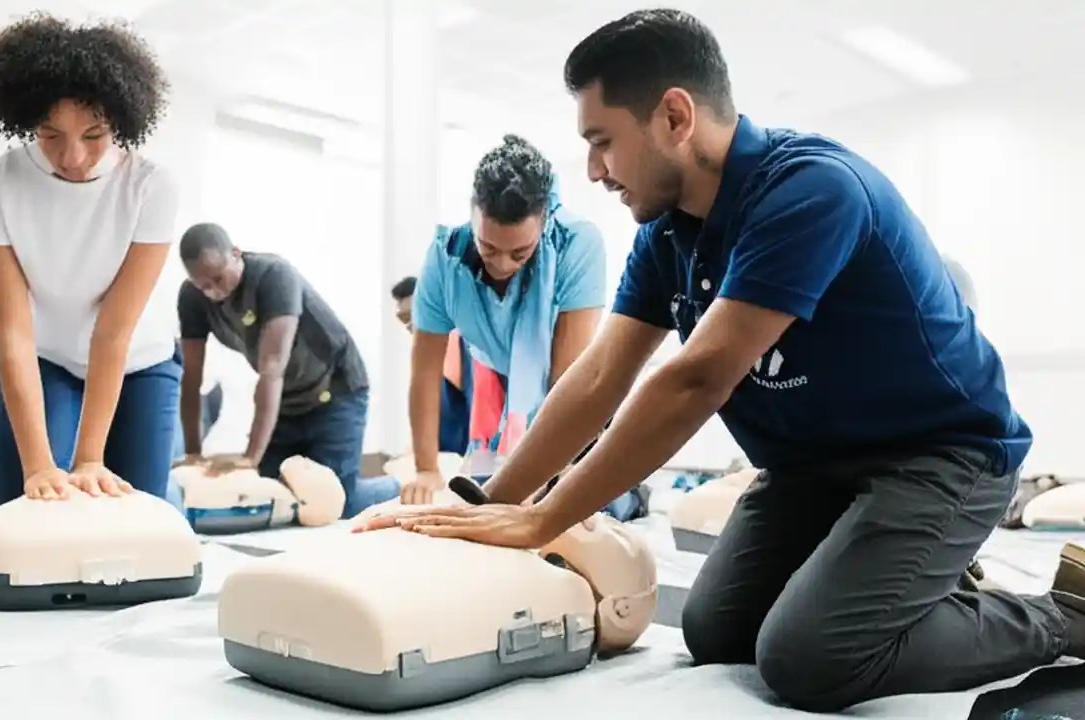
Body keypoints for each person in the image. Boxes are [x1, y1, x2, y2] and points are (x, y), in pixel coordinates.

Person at [358, 8, 1083, 712]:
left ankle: (1060, 615)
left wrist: (543, 519)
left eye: (602, 140)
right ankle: (914, 578)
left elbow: (695, 378)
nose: (592, 170)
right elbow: (602, 377)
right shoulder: (667, 236)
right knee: (718, 633)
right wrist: (493, 508)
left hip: (942, 457)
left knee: (808, 660)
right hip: (812, 468)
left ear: (674, 117)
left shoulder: (811, 190)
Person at [0, 13, 182, 506]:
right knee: (21, 509)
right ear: (25, 122)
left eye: (93, 134)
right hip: (48, 357)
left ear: (121, 121)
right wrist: (42, 466)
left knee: (140, 517)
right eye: (49, 135)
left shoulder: (151, 186)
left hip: (139, 360)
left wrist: (89, 458)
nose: (72, 157)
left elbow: (112, 332)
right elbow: (14, 333)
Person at [402, 134, 647, 522]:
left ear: (545, 219)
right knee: (482, 497)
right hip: (506, 394)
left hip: (577, 399)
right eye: (488, 248)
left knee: (585, 510)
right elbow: (425, 371)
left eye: (519, 252)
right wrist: (426, 469)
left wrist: (545, 476)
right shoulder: (445, 256)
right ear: (472, 214)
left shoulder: (575, 245)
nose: (501, 264)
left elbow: (569, 380)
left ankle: (631, 494)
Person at [176, 223, 396, 518]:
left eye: (218, 278)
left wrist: (250, 458)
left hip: (336, 389)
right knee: (271, 498)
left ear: (236, 254)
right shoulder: (192, 297)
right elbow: (191, 378)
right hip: (287, 402)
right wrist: (193, 454)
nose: (214, 292)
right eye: (203, 285)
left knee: (333, 504)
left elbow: (272, 369)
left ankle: (401, 485)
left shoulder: (273, 275)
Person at [390, 275, 470, 456]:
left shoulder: (462, 346)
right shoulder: (429, 362)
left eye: (412, 315)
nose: (410, 326)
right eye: (403, 320)